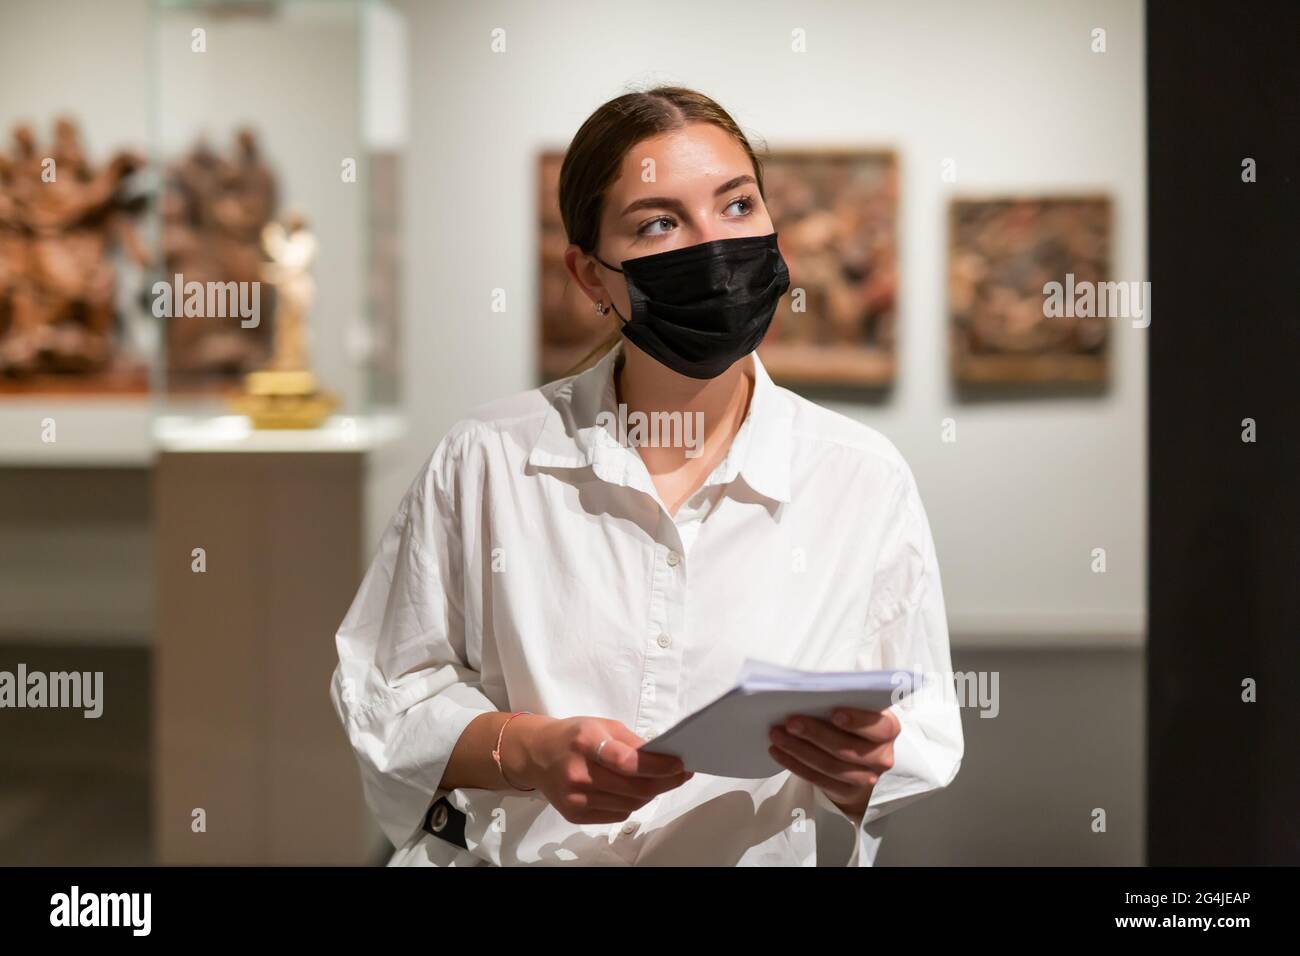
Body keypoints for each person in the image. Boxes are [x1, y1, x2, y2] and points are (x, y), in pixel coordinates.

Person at [330, 86, 962, 866]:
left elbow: (921, 733)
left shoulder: (860, 478)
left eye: (736, 206)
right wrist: (523, 751)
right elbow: (387, 687)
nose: (714, 248)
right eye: (659, 223)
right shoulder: (487, 459)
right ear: (592, 277)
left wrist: (864, 768)